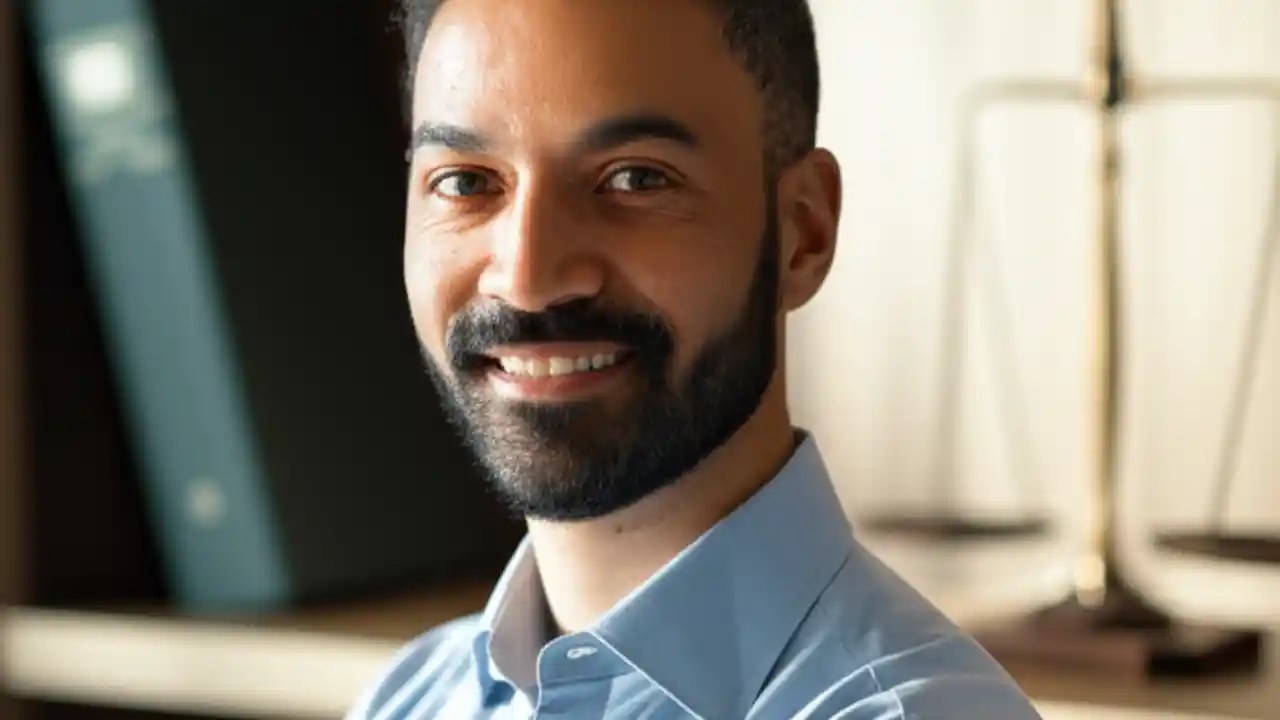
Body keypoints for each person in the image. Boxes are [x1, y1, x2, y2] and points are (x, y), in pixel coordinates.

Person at [350, 0, 1042, 718]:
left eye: (635, 179)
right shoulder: (410, 698)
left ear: (802, 233)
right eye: (466, 182)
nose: (527, 275)